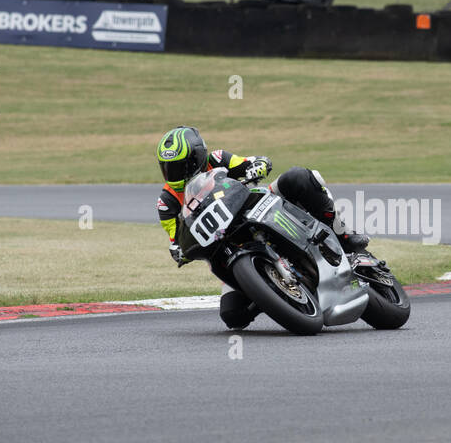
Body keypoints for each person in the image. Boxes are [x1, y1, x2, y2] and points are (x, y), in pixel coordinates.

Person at [155, 127, 368, 328]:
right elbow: (176, 238)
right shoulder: (167, 201)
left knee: (297, 178)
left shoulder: (218, 159)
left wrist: (257, 165)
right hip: (227, 246)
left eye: (179, 166)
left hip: (258, 209)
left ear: (197, 157)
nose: (173, 173)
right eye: (167, 168)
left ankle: (343, 233)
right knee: (233, 316)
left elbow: (251, 163)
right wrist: (179, 250)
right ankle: (274, 292)